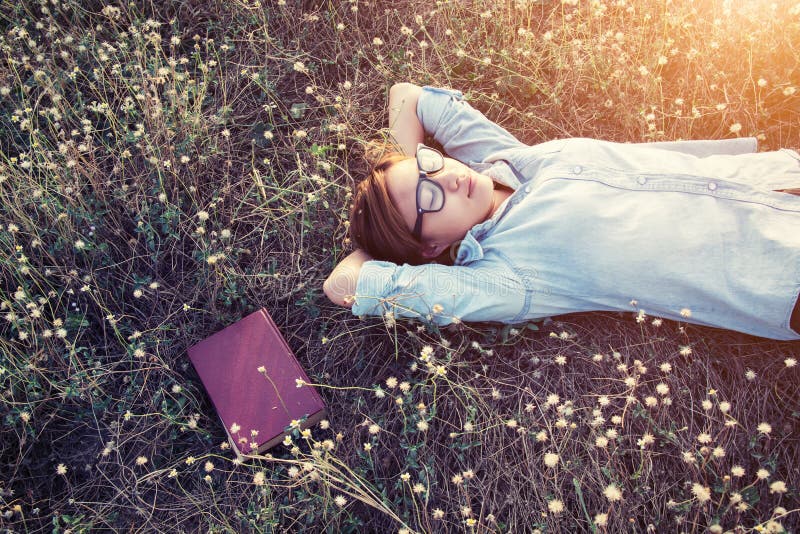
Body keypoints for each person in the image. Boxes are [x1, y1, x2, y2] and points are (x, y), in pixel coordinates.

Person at [323, 82, 800, 341]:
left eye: (430, 167)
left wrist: (403, 172)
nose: (445, 178)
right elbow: (344, 282)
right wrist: (389, 241)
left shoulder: (499, 160)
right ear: (431, 247)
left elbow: (408, 97)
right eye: (430, 199)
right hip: (779, 270)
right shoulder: (505, 276)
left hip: (776, 180)